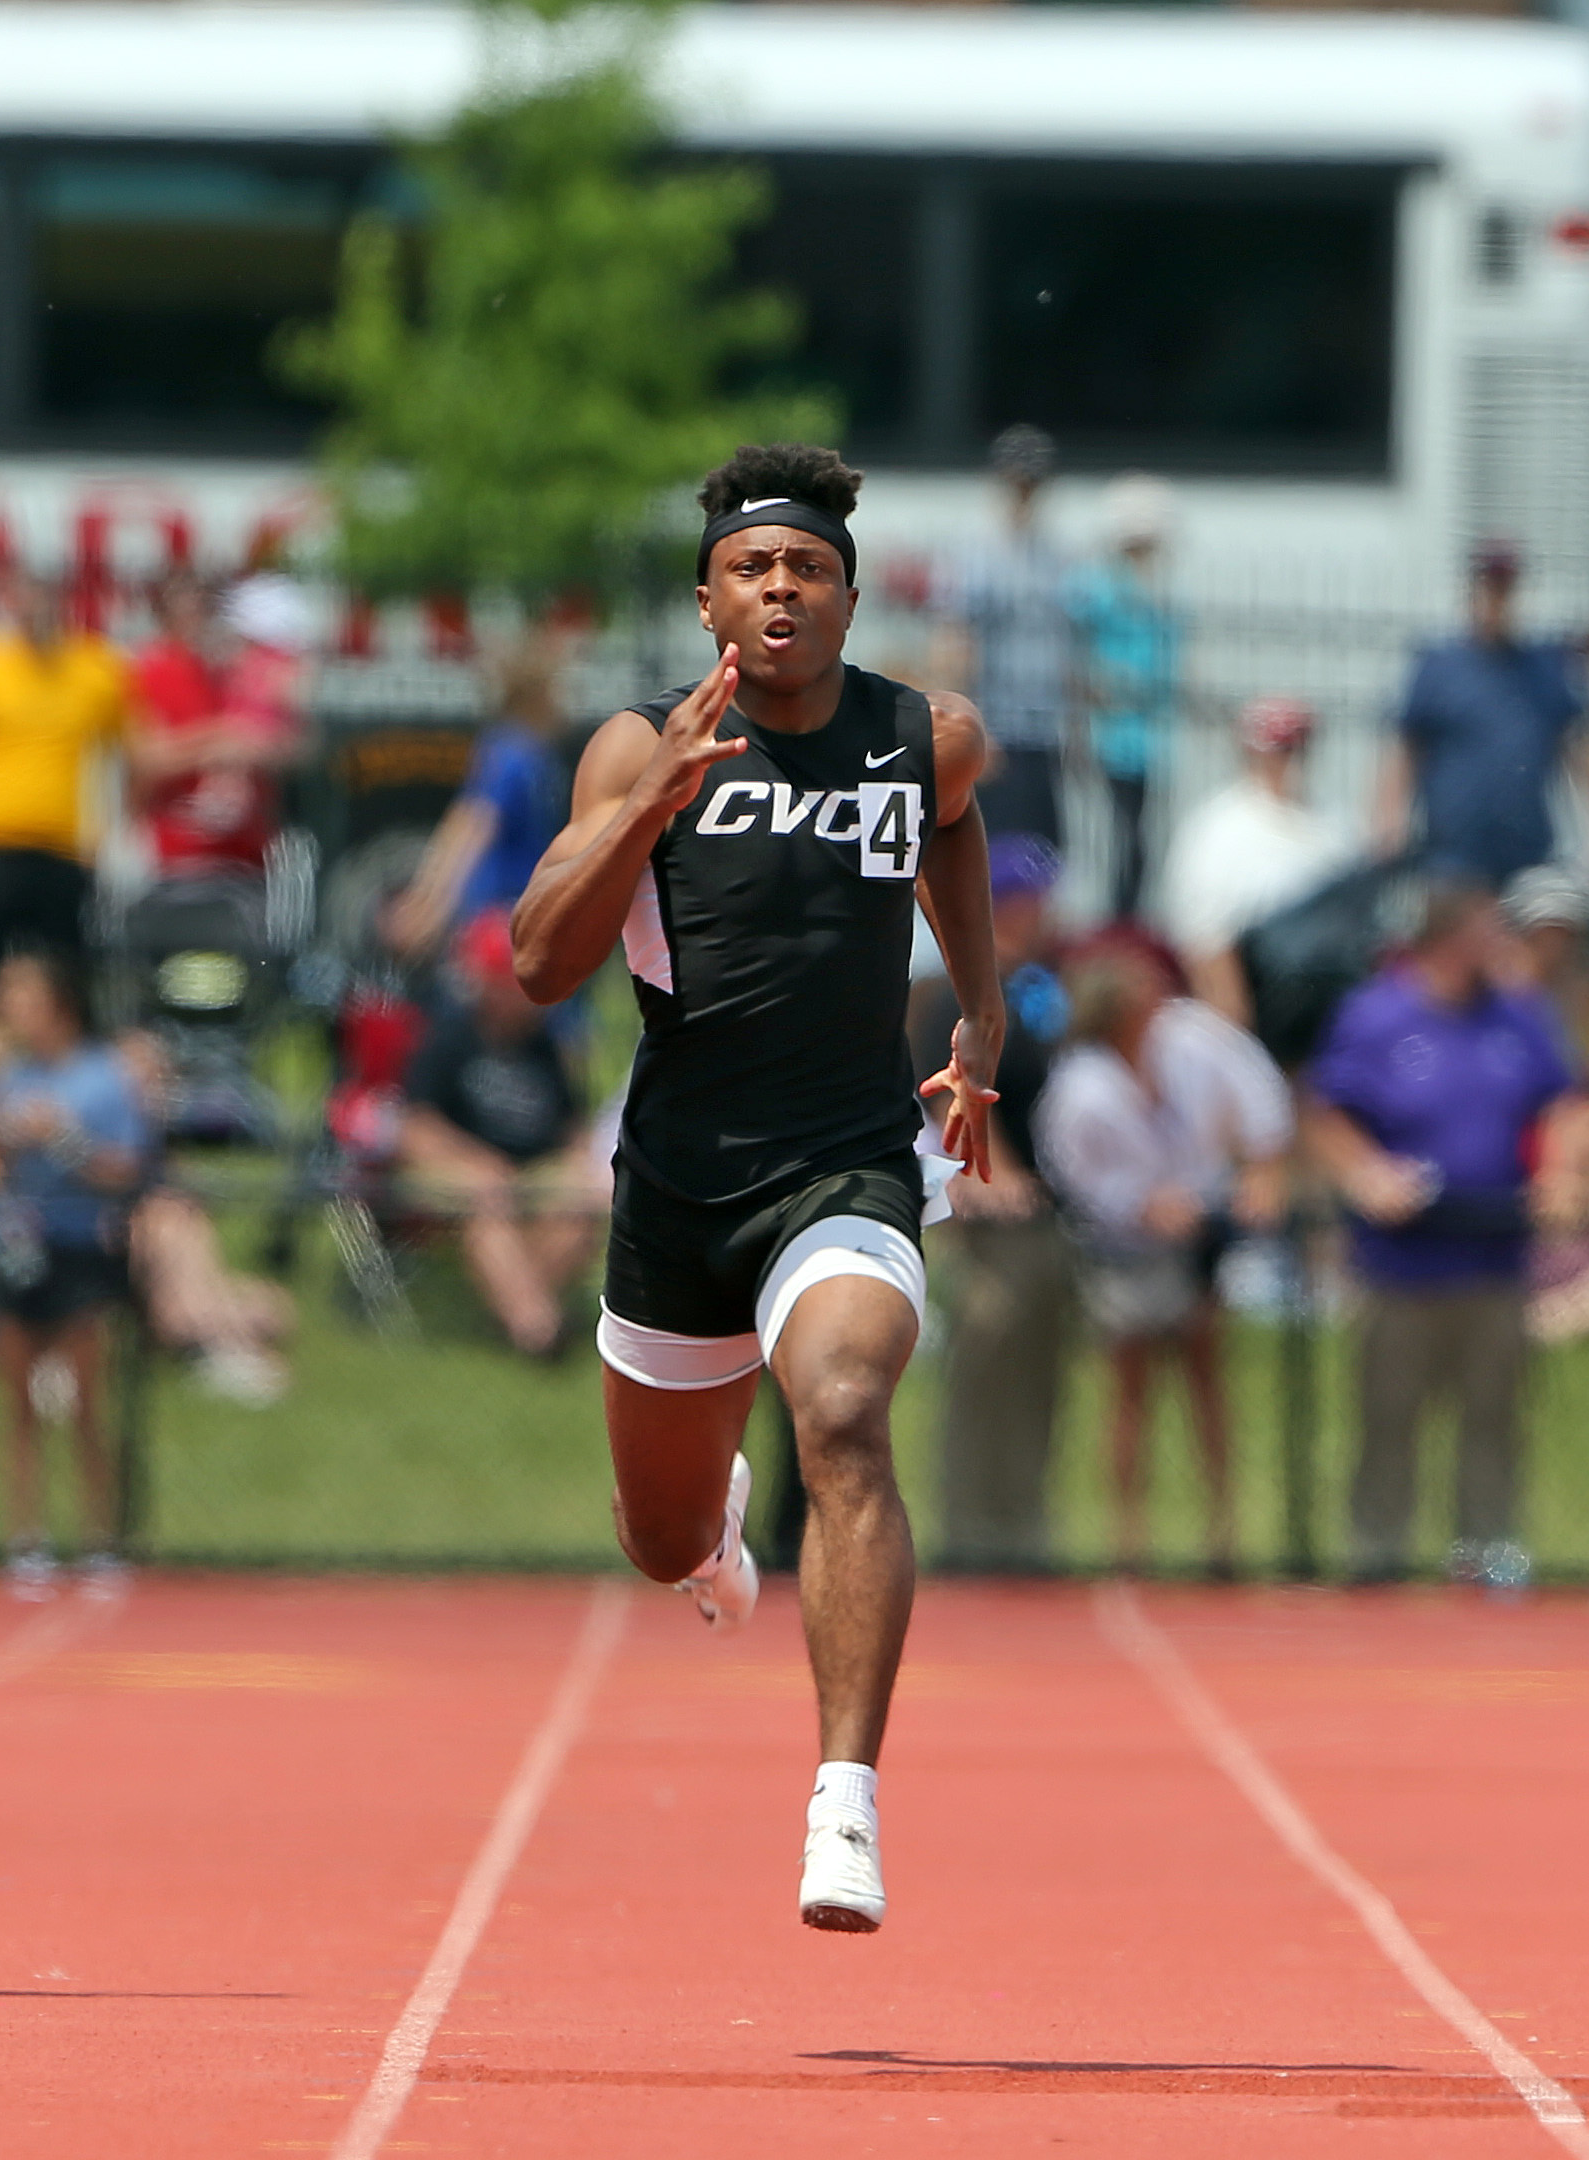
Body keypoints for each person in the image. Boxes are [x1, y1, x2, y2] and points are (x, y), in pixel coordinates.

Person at [504, 442, 1003, 1934]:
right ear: (707, 599)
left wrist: (980, 1022)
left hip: (848, 1162)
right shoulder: (634, 743)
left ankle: (843, 1800)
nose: (781, 592)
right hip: (677, 1187)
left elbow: (956, 842)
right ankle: (710, 1526)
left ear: (849, 600)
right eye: (753, 571)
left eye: (809, 572)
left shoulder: (928, 739)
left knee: (845, 1413)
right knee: (657, 1540)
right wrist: (644, 803)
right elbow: (538, 964)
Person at [1305, 879, 1578, 1591]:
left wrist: (1560, 1174)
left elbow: (1560, 1103)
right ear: (1449, 938)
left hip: (1494, 1254)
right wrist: (1367, 1174)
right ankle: (1378, 1554)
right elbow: (1325, 1112)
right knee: (1389, 1416)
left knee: (1493, 1416)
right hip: (1402, 1263)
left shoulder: (1519, 1017)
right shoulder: (1377, 1015)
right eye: (1488, 931)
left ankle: (1488, 1550)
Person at [1039, 950, 1232, 1577]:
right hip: (1123, 1250)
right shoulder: (1081, 1081)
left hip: (1191, 1243)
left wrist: (1202, 1198)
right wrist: (1141, 1206)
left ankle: (1221, 1526)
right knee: (1131, 1389)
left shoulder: (1177, 1060)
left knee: (1207, 1384)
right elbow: (1074, 1171)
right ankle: (1129, 1533)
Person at [913, 836, 1069, 1573]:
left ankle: (1023, 1528)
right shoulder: (959, 990)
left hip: (1050, 1213)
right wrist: (991, 1170)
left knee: (1036, 1379)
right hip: (994, 1220)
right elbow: (958, 1084)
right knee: (985, 1372)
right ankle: (974, 1531)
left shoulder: (1040, 984)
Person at [0, 948, 146, 1596]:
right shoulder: (8, 1076)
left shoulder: (104, 1077)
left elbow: (124, 1170)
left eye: (19, 994)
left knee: (84, 1400)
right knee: (16, 1400)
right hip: (21, 1246)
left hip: (82, 1247)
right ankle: (26, 1539)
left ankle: (100, 1539)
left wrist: (64, 1138)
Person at [402, 912, 603, 1360]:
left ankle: (519, 1313)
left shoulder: (546, 1047)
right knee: (484, 1193)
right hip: (463, 1169)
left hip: (532, 1167)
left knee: (581, 1199)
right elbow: (415, 1127)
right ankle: (537, 1330)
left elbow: (572, 1126)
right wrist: (472, 1159)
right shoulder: (449, 1037)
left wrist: (581, 1166)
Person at [0, 566, 117, 994]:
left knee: (65, 973)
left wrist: (113, 829)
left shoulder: (96, 669)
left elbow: (131, 753)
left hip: (62, 843)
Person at [1378, 542, 1588, 888]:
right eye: (1488, 587)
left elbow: (1577, 750)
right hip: (1452, 856)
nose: (1496, 600)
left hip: (1528, 853)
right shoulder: (1438, 666)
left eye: (1504, 589)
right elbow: (1404, 749)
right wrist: (1388, 820)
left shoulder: (1544, 667)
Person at [1150, 696, 1352, 1027]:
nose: (1288, 761)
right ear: (1250, 751)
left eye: (1295, 748)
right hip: (1261, 996)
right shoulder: (1218, 828)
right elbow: (1205, 941)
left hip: (1326, 988)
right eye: (1278, 749)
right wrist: (1237, 1034)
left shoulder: (1334, 823)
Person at [385, 625, 579, 959]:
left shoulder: (535, 755)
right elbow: (472, 825)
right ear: (535, 696)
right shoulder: (510, 754)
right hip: (500, 918)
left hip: (528, 911)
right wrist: (429, 904)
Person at [931, 423, 1075, 851]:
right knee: (995, 850)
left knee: (1042, 851)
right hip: (998, 725)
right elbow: (957, 639)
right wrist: (972, 726)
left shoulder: (1055, 555)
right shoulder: (978, 554)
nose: (1025, 492)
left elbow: (1066, 646)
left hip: (1044, 726)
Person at [125, 570, 304, 885]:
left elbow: (293, 743)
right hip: (178, 853)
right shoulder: (149, 671)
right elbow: (148, 759)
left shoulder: (235, 668)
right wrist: (219, 737)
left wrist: (255, 747)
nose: (198, 619)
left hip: (248, 851)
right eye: (186, 610)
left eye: (206, 608)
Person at [1067, 474, 1182, 922]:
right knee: (1119, 834)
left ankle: (1130, 914)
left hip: (1153, 732)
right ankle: (1115, 917)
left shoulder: (1161, 589)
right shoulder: (1099, 586)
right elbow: (1077, 654)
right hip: (1114, 731)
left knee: (1142, 836)